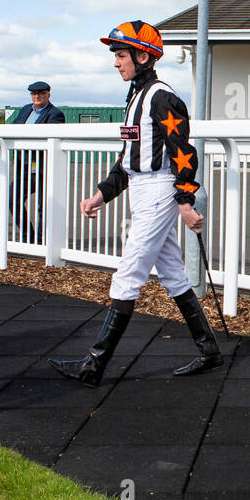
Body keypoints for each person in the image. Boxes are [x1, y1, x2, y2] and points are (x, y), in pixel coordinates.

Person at [48, 20, 222, 386]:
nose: (116, 62)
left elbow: (184, 153)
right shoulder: (135, 97)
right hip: (144, 191)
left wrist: (186, 201)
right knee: (173, 274)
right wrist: (100, 194)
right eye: (115, 55)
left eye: (121, 54)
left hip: (159, 193)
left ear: (143, 56)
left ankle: (94, 365)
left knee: (127, 276)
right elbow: (128, 160)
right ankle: (209, 350)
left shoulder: (161, 96)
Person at [8, 82, 65, 243]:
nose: (37, 96)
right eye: (34, 94)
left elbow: (50, 136)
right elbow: (14, 129)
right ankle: (29, 237)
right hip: (24, 165)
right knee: (13, 198)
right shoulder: (26, 110)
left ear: (48, 94)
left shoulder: (55, 114)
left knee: (43, 205)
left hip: (43, 166)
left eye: (41, 93)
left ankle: (41, 241)